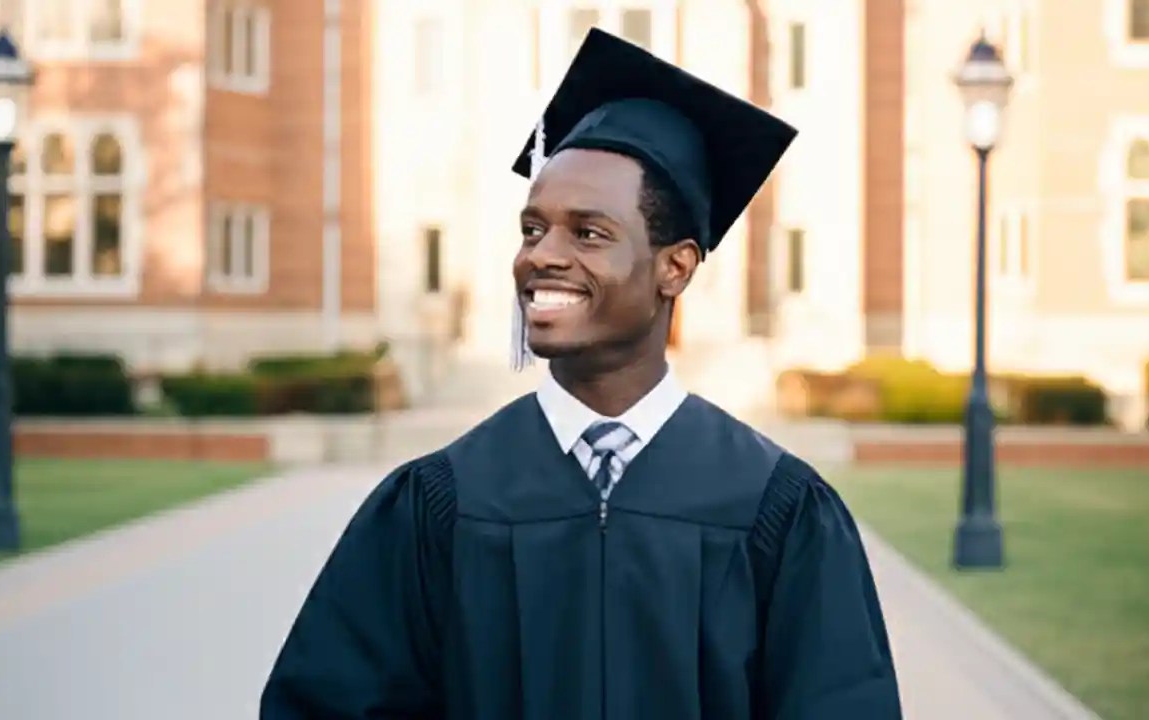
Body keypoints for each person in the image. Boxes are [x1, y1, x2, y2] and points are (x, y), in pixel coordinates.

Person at [261, 28, 901, 719]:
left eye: (587, 233)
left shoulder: (778, 509)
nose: (542, 256)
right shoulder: (438, 504)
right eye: (533, 229)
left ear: (675, 267)